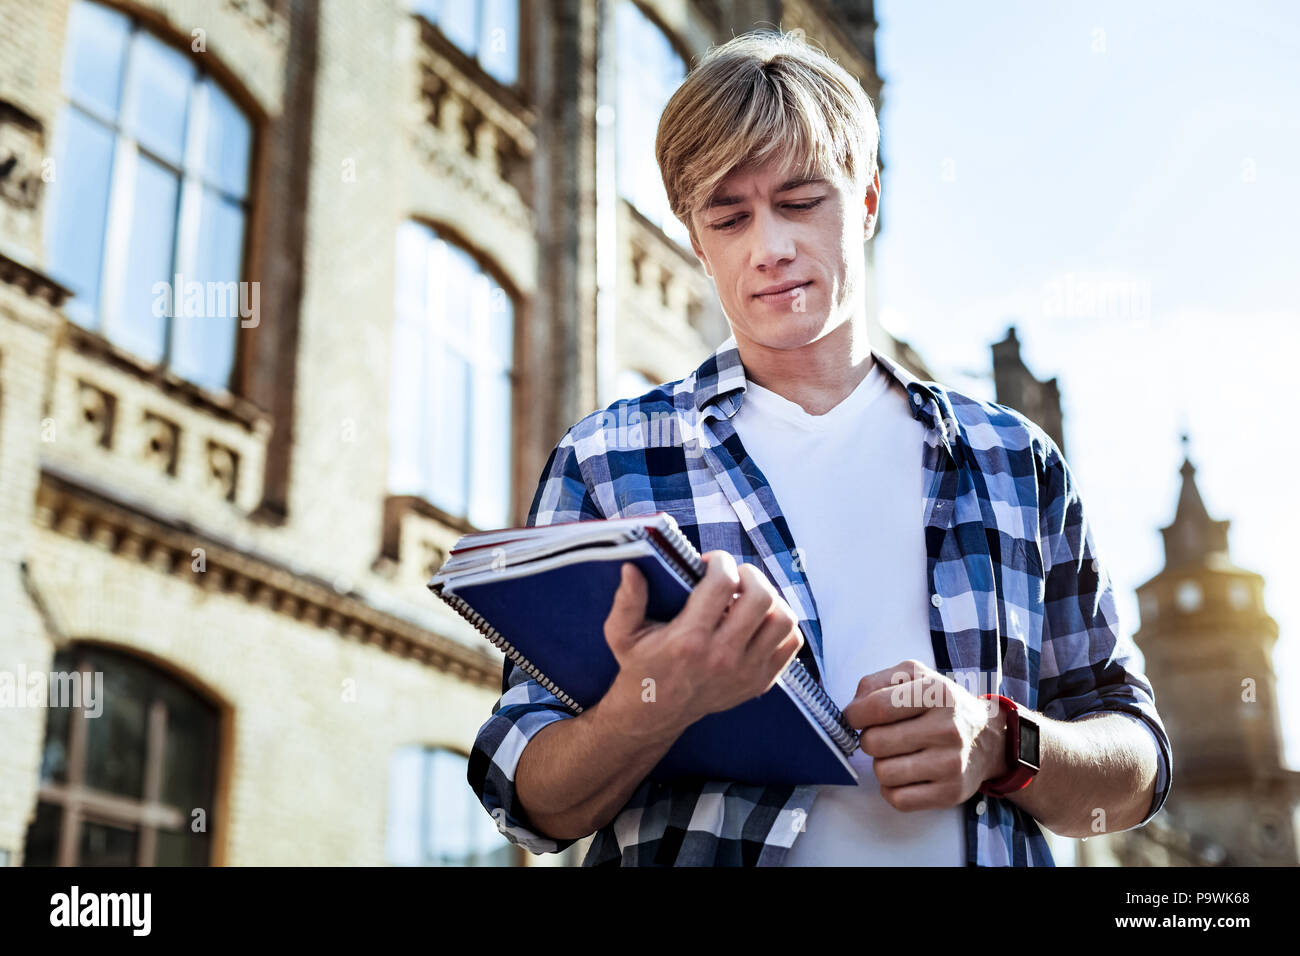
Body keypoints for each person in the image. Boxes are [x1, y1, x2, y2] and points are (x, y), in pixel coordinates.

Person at [467, 28, 1172, 866]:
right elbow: (524, 796)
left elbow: (1137, 764)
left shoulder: (1015, 462)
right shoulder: (606, 460)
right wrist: (655, 704)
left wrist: (997, 740)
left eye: (801, 202)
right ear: (697, 239)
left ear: (868, 201)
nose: (770, 247)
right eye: (729, 216)